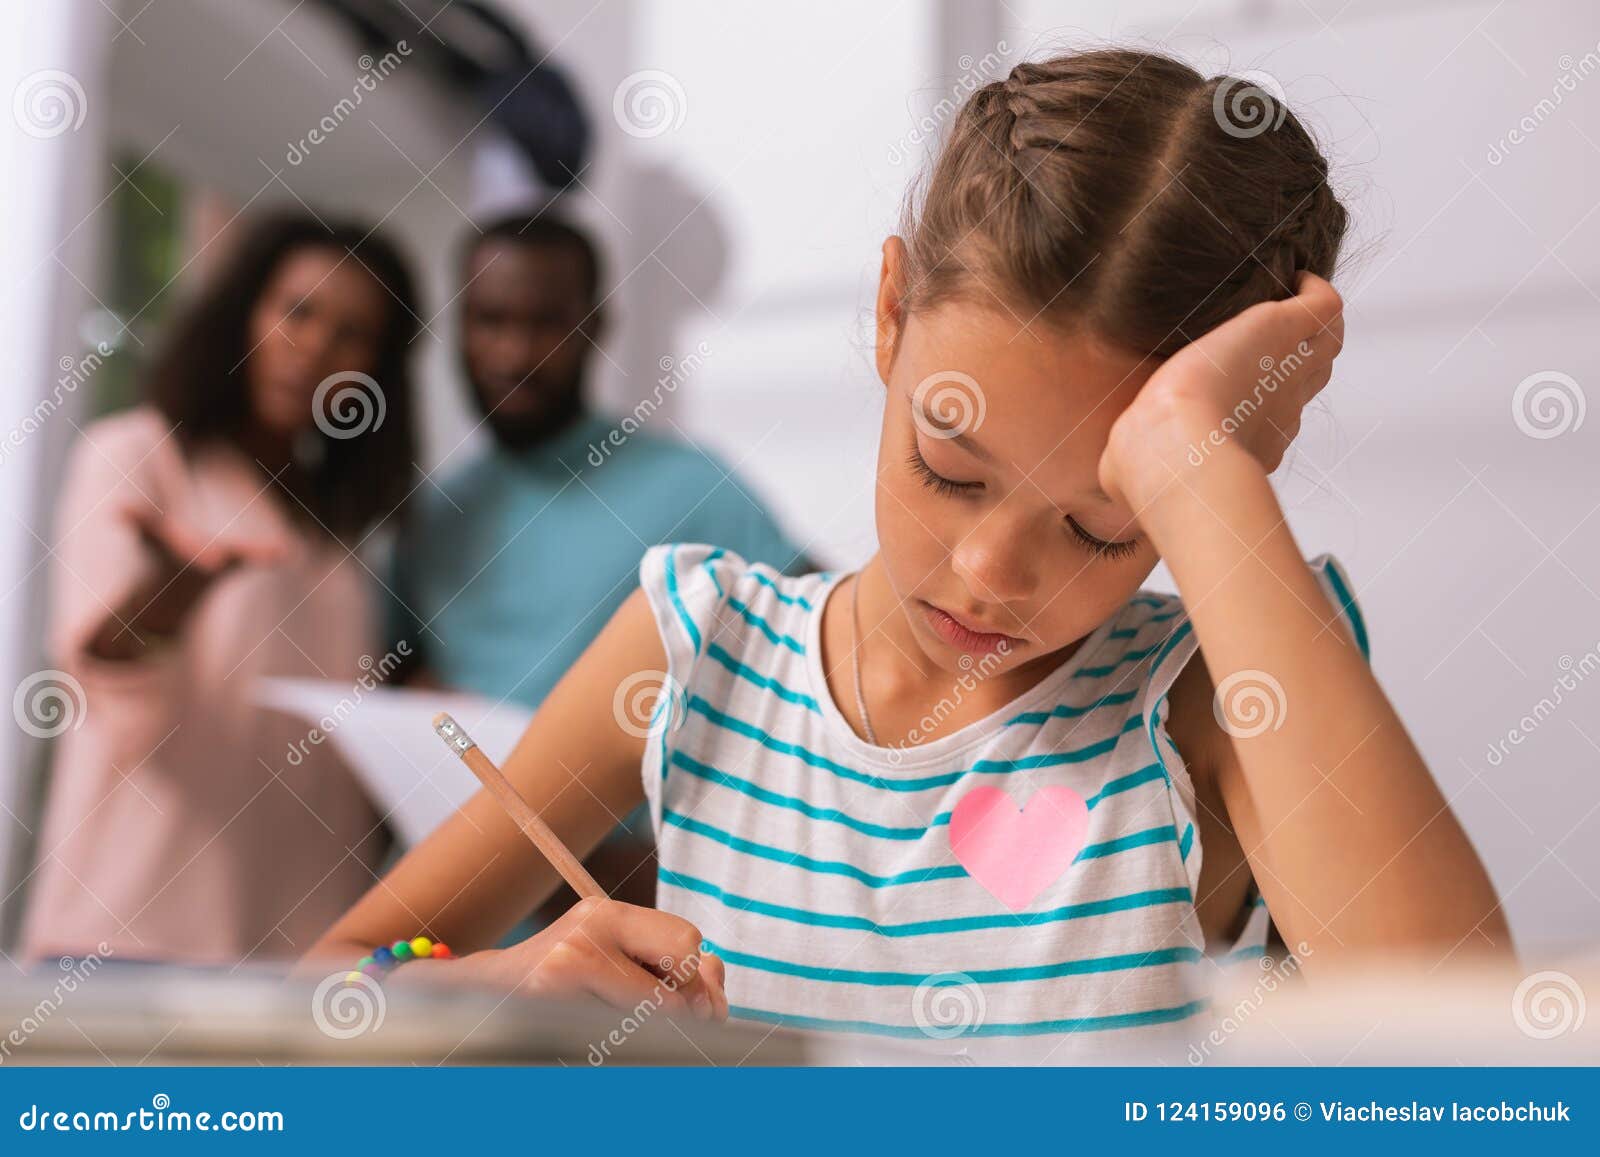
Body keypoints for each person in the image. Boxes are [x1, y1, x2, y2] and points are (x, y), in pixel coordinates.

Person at [306, 50, 1508, 1050]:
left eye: (1105, 519)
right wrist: (493, 990)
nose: (989, 573)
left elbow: (1467, 1069)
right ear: (888, 311)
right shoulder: (696, 651)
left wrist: (1207, 467)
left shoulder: (1202, 701)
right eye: (951, 468)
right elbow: (340, 973)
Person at [19, 213, 423, 966]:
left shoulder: (340, 542)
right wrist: (173, 592)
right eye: (296, 311)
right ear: (244, 312)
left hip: (292, 961)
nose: (314, 350)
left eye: (353, 333)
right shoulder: (137, 456)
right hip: (126, 943)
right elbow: (107, 660)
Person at [386, 214, 804, 912]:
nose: (515, 351)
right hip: (440, 935)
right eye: (491, 319)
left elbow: (830, 660)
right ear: (457, 327)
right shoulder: (427, 520)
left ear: (597, 326)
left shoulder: (694, 489)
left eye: (548, 322)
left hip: (621, 935)